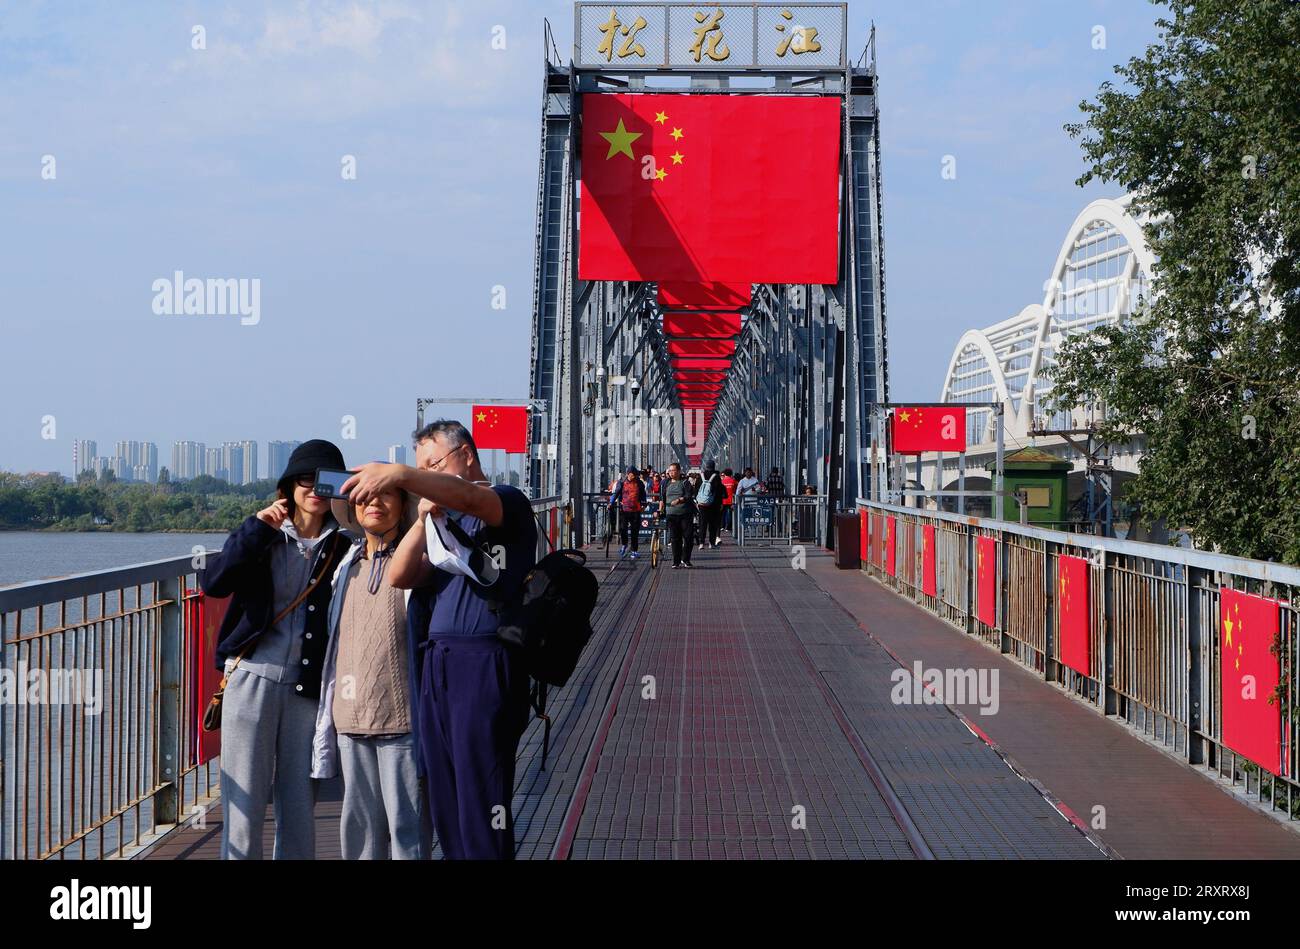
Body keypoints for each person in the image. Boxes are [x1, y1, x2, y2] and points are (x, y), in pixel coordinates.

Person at [347, 420, 537, 861]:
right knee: (445, 792)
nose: (429, 473)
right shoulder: (444, 519)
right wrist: (422, 517)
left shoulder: (504, 501)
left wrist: (400, 476)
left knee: (481, 790)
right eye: (422, 467)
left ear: (467, 455)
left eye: (435, 463)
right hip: (439, 663)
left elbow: (472, 496)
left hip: (484, 659)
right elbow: (399, 575)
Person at [201, 439, 351, 860]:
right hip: (251, 679)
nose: (314, 489)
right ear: (288, 484)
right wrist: (254, 528)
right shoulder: (262, 535)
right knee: (244, 801)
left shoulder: (345, 544)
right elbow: (214, 583)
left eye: (326, 481)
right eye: (305, 479)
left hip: (308, 688)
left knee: (300, 802)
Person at [312, 484, 428, 860]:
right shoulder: (345, 565)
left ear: (402, 505)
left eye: (385, 496)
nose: (373, 504)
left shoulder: (420, 562)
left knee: (407, 829)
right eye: (363, 499)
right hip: (350, 717)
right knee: (358, 830)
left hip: (403, 720)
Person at [659, 461, 695, 568]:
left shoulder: (685, 482)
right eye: (670, 471)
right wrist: (660, 510)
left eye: (673, 470)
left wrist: (680, 500)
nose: (671, 473)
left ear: (679, 471)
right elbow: (662, 498)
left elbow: (689, 495)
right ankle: (676, 561)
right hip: (671, 515)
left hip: (685, 514)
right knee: (675, 538)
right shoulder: (665, 483)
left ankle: (686, 559)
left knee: (688, 537)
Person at [616, 466, 646, 560]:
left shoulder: (639, 483)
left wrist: (643, 505)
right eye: (634, 474)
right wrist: (611, 503)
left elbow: (643, 495)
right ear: (628, 474)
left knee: (635, 531)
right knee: (623, 528)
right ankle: (624, 544)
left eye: (636, 474)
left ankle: (634, 551)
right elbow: (616, 493)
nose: (636, 476)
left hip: (636, 511)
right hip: (625, 510)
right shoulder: (622, 483)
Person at [696, 461, 725, 549]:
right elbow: (719, 491)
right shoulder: (716, 477)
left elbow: (696, 489)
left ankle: (701, 543)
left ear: (706, 466)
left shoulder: (701, 476)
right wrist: (720, 503)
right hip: (714, 504)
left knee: (702, 523)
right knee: (713, 524)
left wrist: (697, 502)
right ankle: (711, 543)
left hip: (702, 504)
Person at [720, 468, 737, 534]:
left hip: (723, 500)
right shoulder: (733, 481)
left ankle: (722, 526)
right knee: (729, 513)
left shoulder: (722, 481)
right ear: (731, 474)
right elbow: (735, 491)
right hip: (731, 500)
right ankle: (728, 527)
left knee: (722, 514)